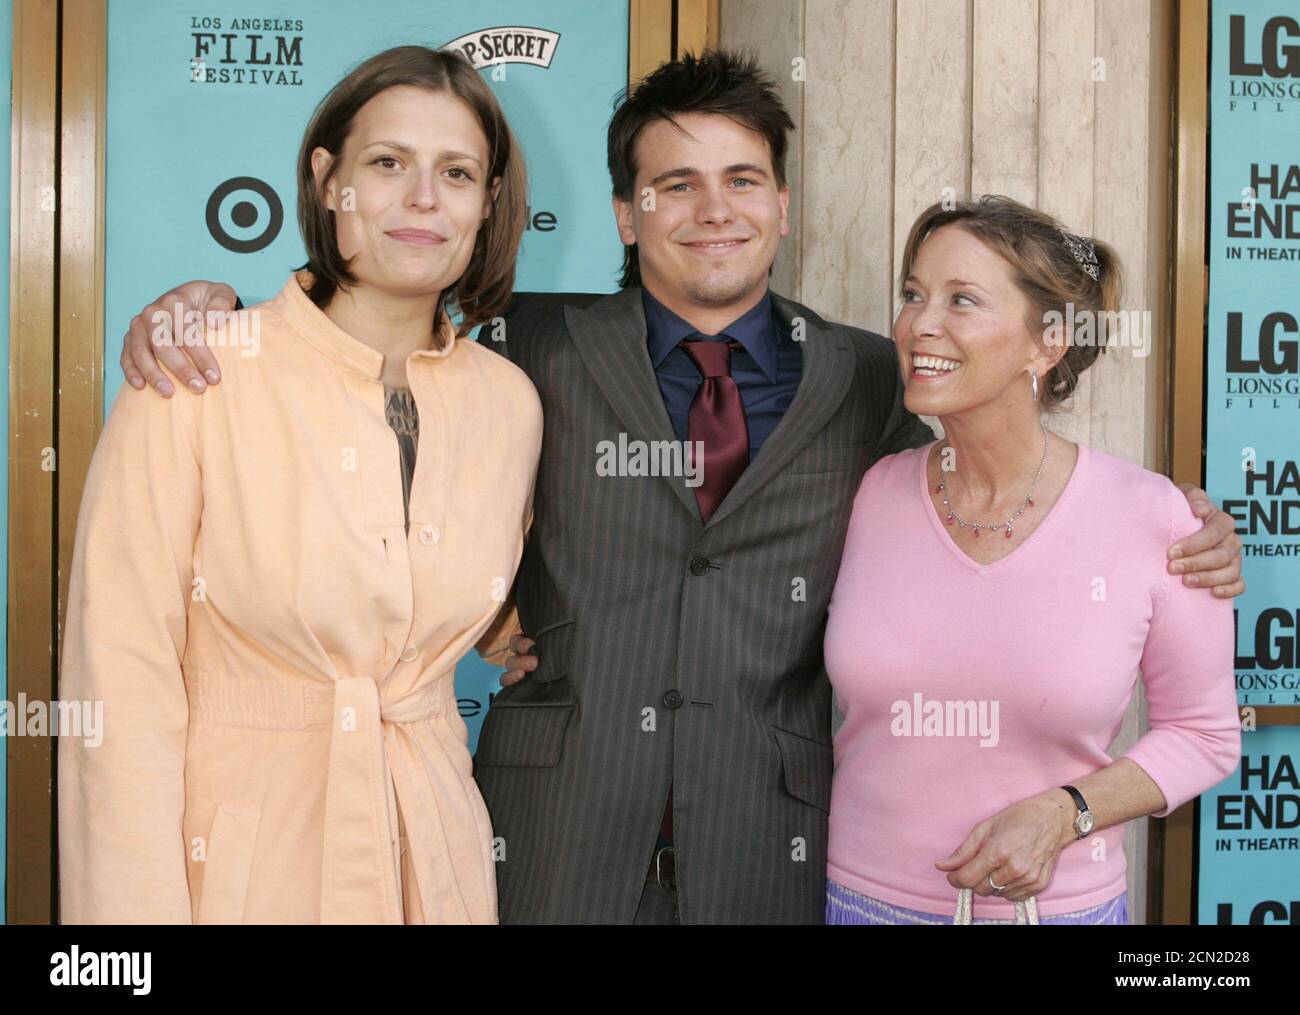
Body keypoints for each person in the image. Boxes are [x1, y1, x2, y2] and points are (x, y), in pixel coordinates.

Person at [117, 51, 1243, 925]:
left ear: (783, 205)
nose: (714, 209)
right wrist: (205, 306)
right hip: (544, 835)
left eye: (742, 179)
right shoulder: (520, 351)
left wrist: (1183, 528)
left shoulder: (869, 374)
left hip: (774, 847)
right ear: (624, 213)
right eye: (675, 184)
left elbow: (1010, 464)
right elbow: (361, 343)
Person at [59, 46, 540, 924]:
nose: (423, 198)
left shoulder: (509, 403)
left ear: (490, 201)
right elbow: (116, 693)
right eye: (388, 163)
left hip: (435, 859)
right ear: (327, 180)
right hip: (242, 870)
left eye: (458, 172)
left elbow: (499, 608)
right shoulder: (196, 370)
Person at [823, 197, 1241, 924]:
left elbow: (1205, 734)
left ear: (1046, 343)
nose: (920, 323)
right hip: (857, 904)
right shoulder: (867, 493)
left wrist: (1068, 810)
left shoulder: (1156, 518)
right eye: (915, 294)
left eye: (963, 300)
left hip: (1057, 914)